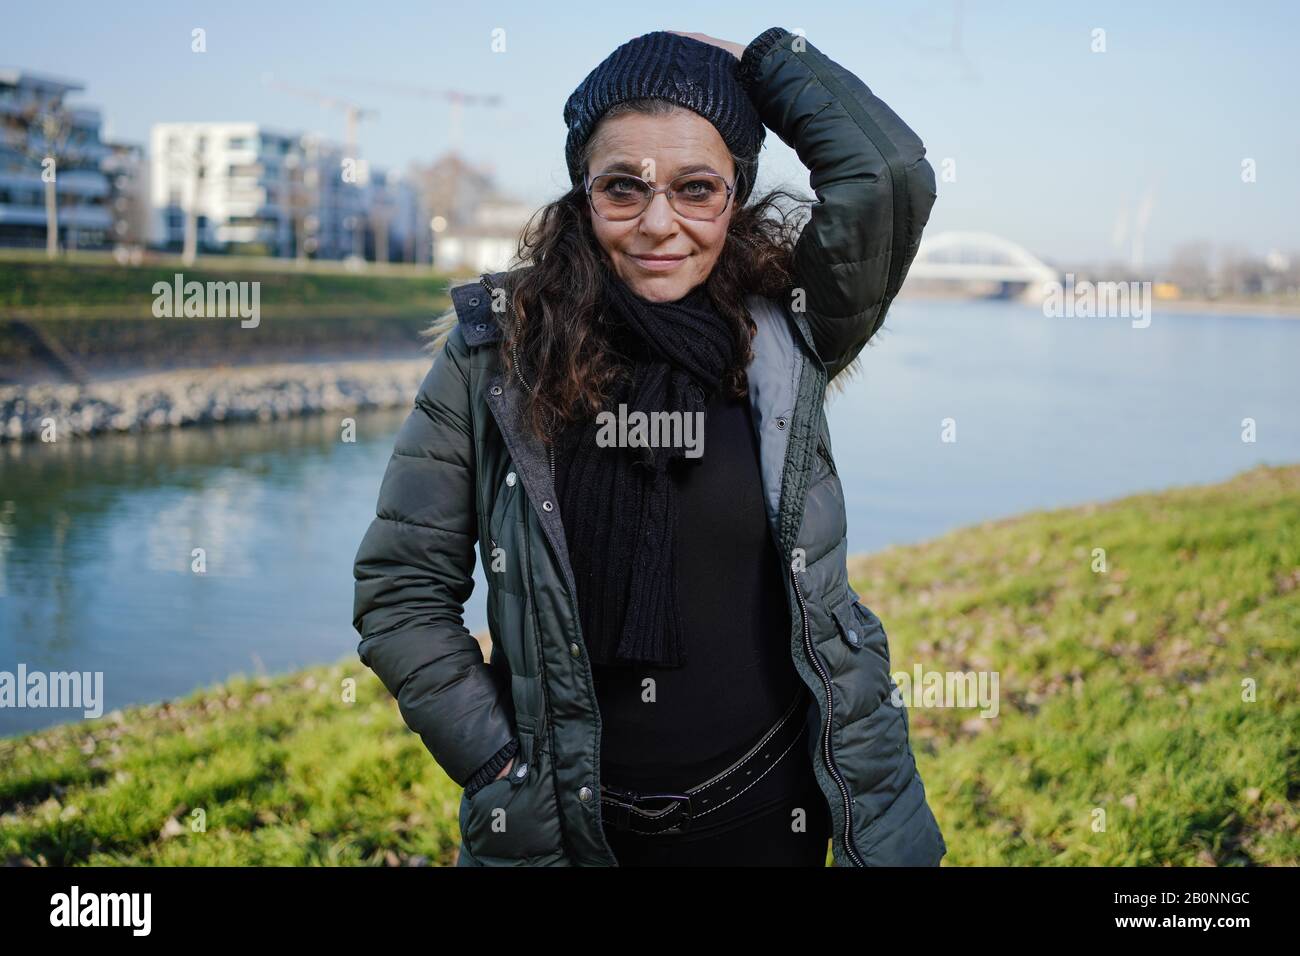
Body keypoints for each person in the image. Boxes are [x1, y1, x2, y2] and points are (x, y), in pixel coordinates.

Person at [353, 26, 947, 867]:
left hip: (770, 807)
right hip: (575, 830)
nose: (658, 224)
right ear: (582, 194)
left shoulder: (790, 331)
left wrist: (761, 60)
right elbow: (401, 589)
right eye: (623, 187)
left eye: (697, 187)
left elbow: (886, 176)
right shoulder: (498, 353)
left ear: (735, 192)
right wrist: (495, 758)